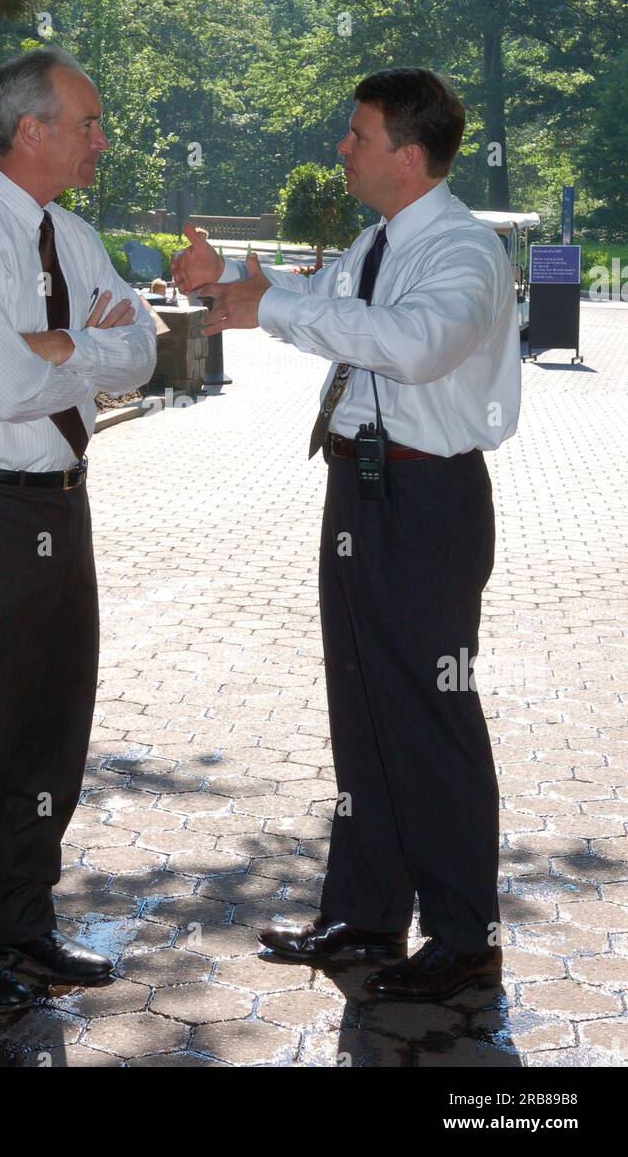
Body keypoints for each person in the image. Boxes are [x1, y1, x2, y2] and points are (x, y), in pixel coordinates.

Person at [172, 67, 520, 1003]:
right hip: (363, 493)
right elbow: (321, 300)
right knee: (363, 704)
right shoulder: (380, 240)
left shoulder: (464, 253)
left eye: (357, 135)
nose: (343, 148)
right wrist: (238, 285)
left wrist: (271, 305)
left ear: (408, 155)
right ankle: (366, 914)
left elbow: (410, 344)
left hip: (428, 501)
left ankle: (463, 937)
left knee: (431, 713)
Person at [0, 46, 157, 1012]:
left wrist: (67, 346)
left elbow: (143, 353)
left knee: (53, 728)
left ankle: (24, 921)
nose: (101, 140)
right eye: (87, 123)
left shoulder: (75, 237)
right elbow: (4, 389)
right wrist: (86, 353)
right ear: (31, 130)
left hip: (61, 504)